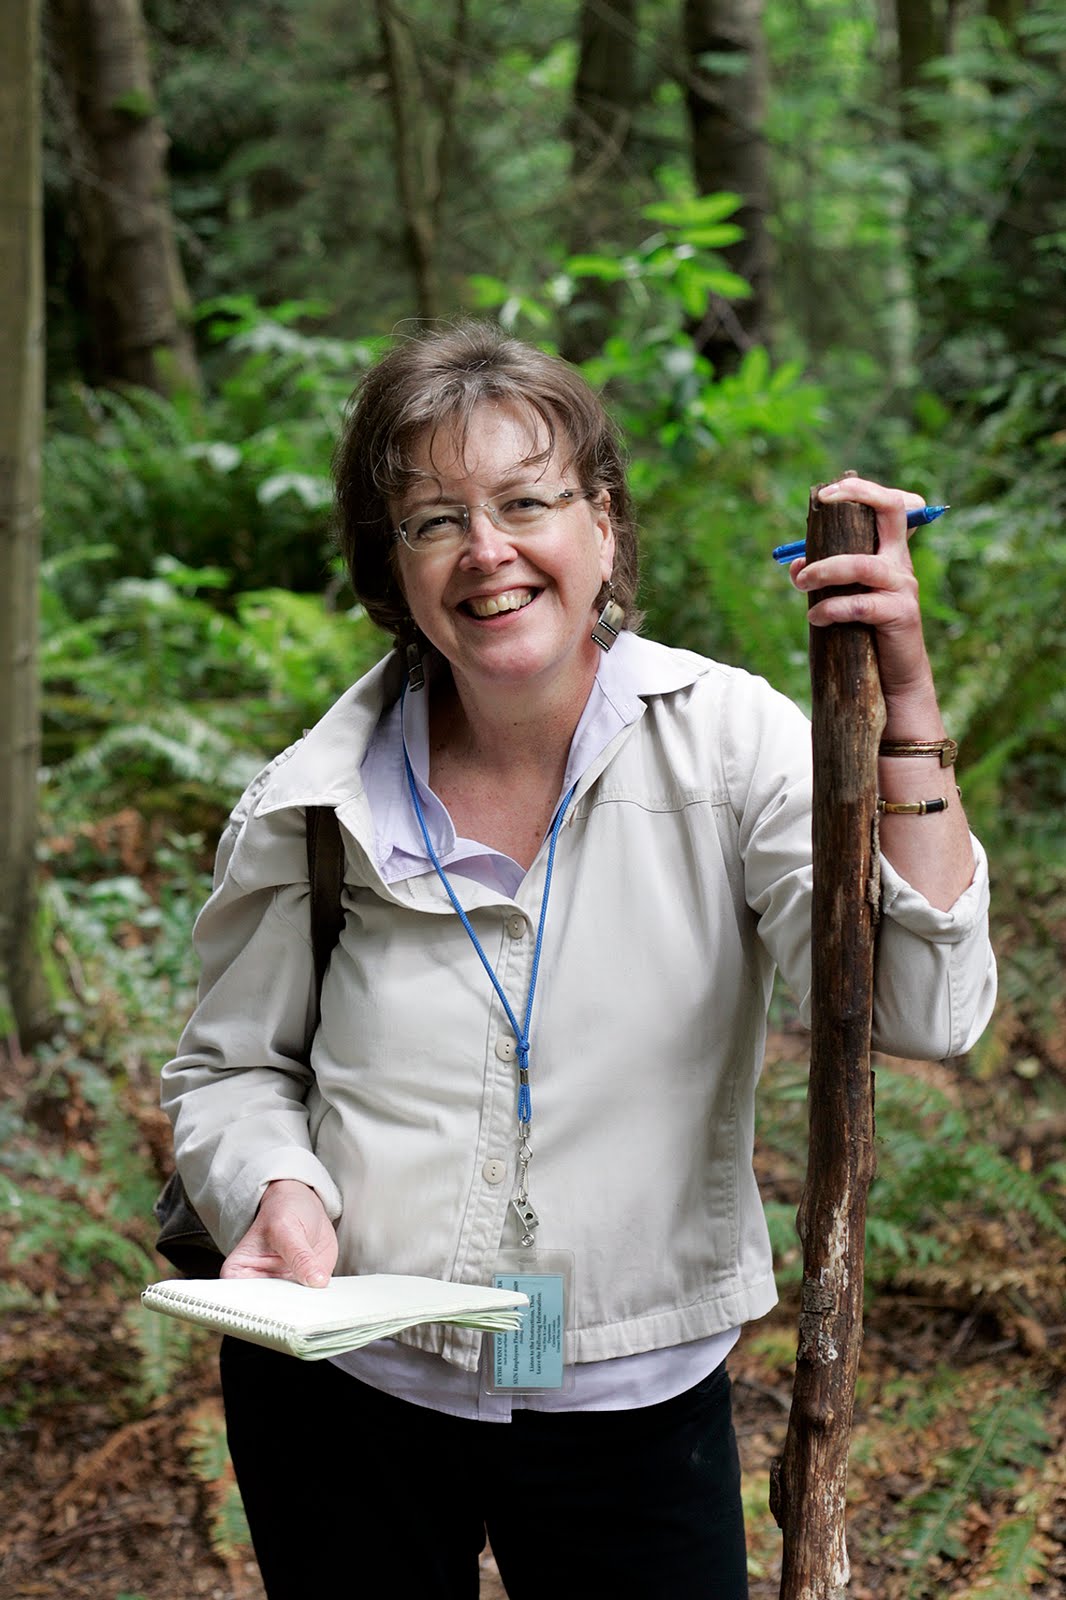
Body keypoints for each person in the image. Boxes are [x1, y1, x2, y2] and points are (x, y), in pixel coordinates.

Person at [161, 322, 996, 1599]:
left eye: (526, 501)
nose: (486, 551)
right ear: (393, 564)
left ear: (600, 523)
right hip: (347, 1394)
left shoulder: (730, 749)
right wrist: (274, 1185)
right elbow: (228, 1068)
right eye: (434, 519)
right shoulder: (313, 799)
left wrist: (908, 703)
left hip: (629, 1398)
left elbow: (922, 1006)